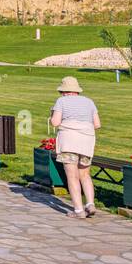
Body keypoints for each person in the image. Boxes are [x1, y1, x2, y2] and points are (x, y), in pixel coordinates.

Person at [50, 76, 102, 218]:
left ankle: (78, 210)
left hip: (69, 141)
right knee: (85, 175)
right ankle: (90, 203)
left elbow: (55, 122)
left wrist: (51, 114)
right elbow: (97, 124)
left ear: (64, 91)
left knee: (72, 176)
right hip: (86, 142)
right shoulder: (89, 102)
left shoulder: (61, 101)